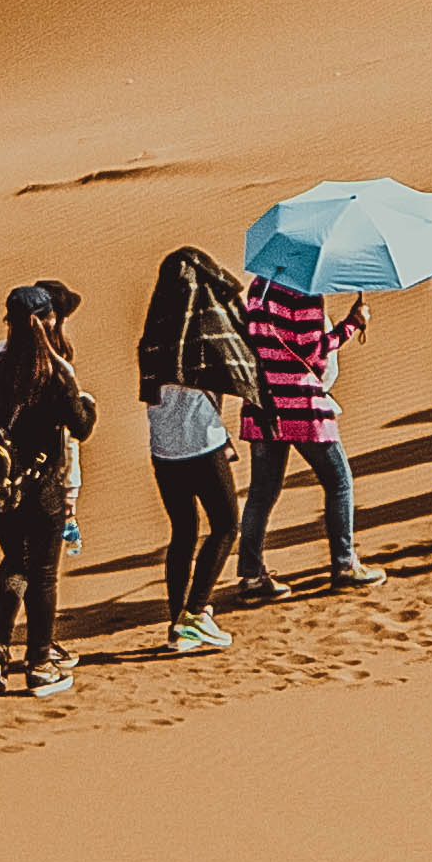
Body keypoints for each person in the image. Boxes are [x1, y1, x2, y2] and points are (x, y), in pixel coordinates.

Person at [0, 280, 96, 697]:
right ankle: (40, 664)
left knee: (17, 562)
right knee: (42, 574)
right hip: (42, 489)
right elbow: (81, 425)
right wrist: (82, 397)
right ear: (47, 320)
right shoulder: (54, 373)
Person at [136, 245, 255, 655]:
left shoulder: (154, 334)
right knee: (225, 524)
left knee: (184, 533)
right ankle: (196, 613)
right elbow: (239, 359)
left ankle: (177, 623)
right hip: (200, 445)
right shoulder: (203, 331)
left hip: (163, 451)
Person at [230, 260, 371, 598]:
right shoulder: (304, 292)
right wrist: (351, 325)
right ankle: (344, 563)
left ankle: (251, 576)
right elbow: (314, 352)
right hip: (301, 404)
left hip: (263, 404)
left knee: (262, 493)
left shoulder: (258, 287)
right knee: (339, 482)